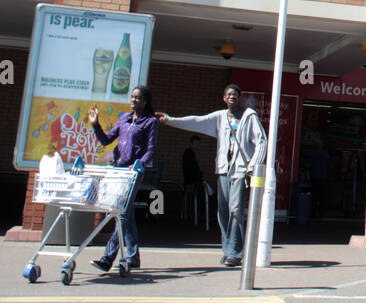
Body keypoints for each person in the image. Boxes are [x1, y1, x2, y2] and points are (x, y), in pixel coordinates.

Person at [157, 83, 267, 267]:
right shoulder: (220, 117)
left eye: (235, 94)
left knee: (236, 211)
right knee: (223, 212)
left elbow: (262, 141)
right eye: (229, 94)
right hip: (223, 170)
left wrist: (253, 166)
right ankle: (228, 249)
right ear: (224, 98)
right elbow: (196, 121)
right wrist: (169, 120)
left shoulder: (249, 117)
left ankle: (235, 253)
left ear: (240, 98)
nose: (232, 97)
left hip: (240, 171)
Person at [87, 85, 157, 271]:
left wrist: (139, 164)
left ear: (145, 101)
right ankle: (133, 258)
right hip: (118, 170)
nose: (133, 100)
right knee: (127, 214)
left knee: (122, 213)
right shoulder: (124, 119)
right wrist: (95, 124)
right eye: (132, 97)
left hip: (133, 172)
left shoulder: (150, 121)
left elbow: (150, 150)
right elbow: (106, 140)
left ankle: (108, 257)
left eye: (138, 98)